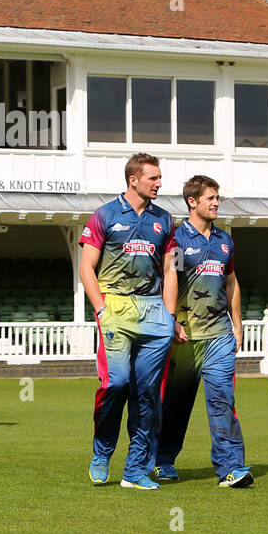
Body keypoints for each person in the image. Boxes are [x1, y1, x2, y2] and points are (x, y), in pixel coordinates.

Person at [79, 152, 176, 490]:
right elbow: (86, 268)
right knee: (116, 384)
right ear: (134, 180)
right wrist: (102, 310)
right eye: (154, 178)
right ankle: (102, 450)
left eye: (160, 177)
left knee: (148, 393)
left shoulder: (165, 219)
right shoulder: (104, 215)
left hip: (154, 313)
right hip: (115, 309)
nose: (160, 183)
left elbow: (170, 269)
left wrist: (170, 315)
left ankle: (135, 471)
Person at [156, 176, 253, 488]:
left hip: (219, 336)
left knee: (222, 400)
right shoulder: (178, 241)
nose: (216, 203)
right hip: (184, 338)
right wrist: (171, 322)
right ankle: (162, 461)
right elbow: (168, 279)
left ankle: (231, 468)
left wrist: (237, 325)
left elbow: (231, 282)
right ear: (192, 202)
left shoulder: (225, 241)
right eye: (210, 198)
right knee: (176, 404)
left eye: (217, 197)